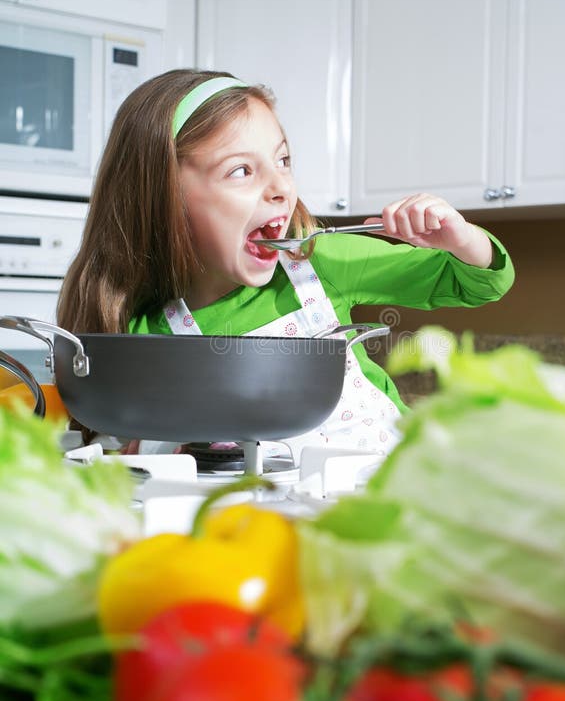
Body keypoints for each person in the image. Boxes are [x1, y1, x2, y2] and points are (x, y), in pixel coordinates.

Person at [57, 69, 515, 456]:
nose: (281, 187)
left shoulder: (319, 259)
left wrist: (459, 238)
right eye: (241, 170)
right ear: (162, 197)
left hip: (394, 485)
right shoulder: (146, 334)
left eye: (283, 160)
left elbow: (477, 283)